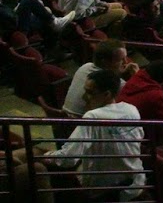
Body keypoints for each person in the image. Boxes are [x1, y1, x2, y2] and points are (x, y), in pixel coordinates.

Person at [25, 68, 147, 199]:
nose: (84, 97)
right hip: (137, 183)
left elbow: (68, 159)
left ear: (107, 94)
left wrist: (44, 156)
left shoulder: (93, 116)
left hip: (105, 192)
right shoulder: (131, 109)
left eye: (90, 93)